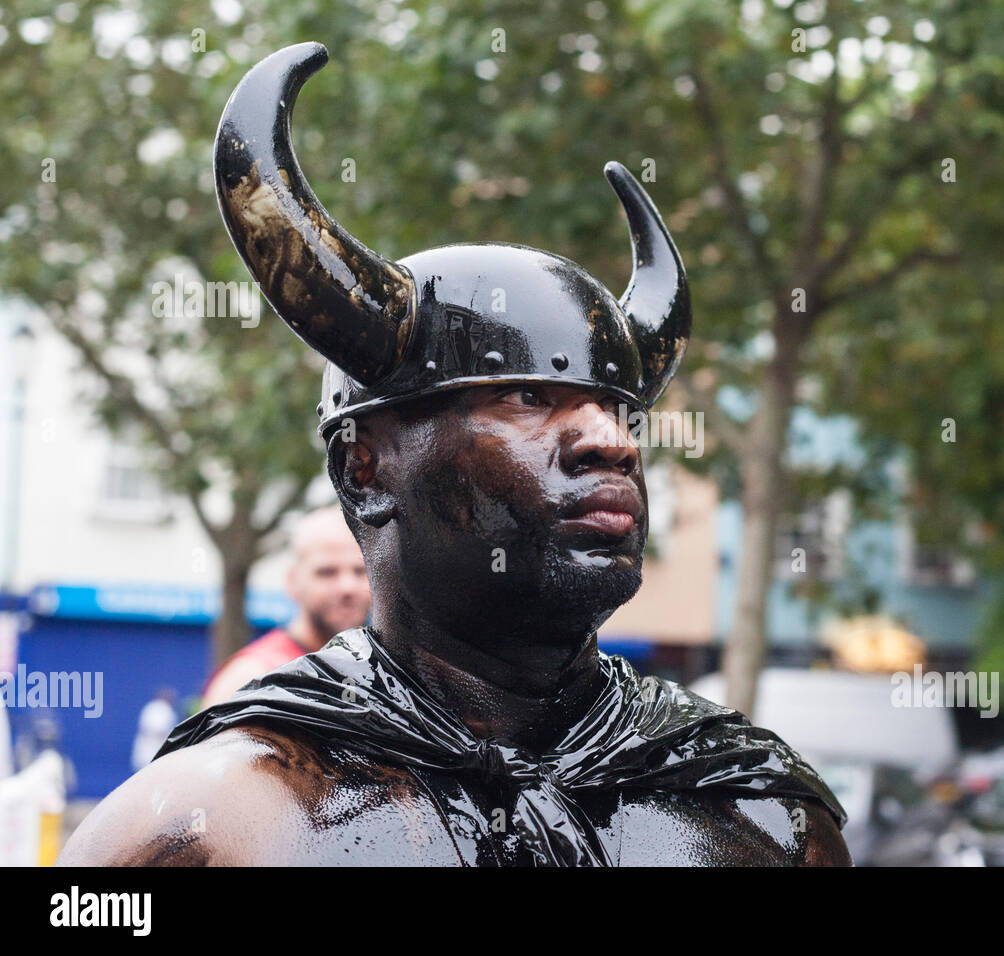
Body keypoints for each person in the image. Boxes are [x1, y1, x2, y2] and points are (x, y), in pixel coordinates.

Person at [57, 43, 849, 866]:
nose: (612, 440)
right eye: (528, 399)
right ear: (365, 472)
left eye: (620, 408)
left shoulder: (761, 817)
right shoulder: (202, 828)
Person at [200, 507, 371, 706]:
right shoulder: (254, 679)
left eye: (360, 571)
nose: (347, 587)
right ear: (293, 581)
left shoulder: (378, 672)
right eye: (327, 572)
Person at [130, 689, 179, 772]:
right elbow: (157, 729)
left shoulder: (165, 709)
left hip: (156, 752)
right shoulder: (157, 709)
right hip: (150, 750)